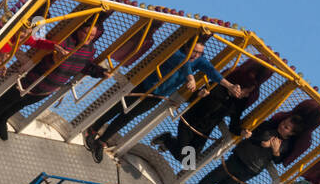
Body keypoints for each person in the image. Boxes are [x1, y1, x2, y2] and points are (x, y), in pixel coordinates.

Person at [85, 34, 242, 162]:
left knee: (129, 115)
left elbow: (211, 71)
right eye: (194, 51)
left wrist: (229, 86)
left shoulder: (199, 60)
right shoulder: (177, 52)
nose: (196, 55)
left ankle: (103, 140)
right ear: (187, 47)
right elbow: (183, 63)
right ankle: (93, 128)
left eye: (200, 53)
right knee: (119, 107)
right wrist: (190, 77)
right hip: (147, 85)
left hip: (159, 94)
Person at [0, 21, 113, 141]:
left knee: (23, 104)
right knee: (12, 98)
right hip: (37, 79)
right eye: (86, 32)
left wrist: (101, 72)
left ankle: (3, 118)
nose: (89, 36)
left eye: (92, 35)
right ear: (79, 30)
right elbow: (50, 48)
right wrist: (57, 50)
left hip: (50, 87)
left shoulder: (89, 50)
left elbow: (86, 66)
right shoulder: (67, 40)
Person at [151, 59, 271, 161]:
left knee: (189, 161)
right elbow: (191, 97)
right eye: (246, 92)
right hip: (189, 123)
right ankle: (168, 139)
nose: (246, 95)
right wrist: (200, 94)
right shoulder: (217, 87)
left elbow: (233, 125)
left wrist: (242, 132)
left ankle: (171, 142)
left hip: (204, 132)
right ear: (238, 85)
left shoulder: (239, 103)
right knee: (183, 155)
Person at [182, 113, 290, 184]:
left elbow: (278, 160)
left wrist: (276, 151)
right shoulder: (268, 127)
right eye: (284, 123)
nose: (282, 126)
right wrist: (263, 143)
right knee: (214, 177)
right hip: (239, 157)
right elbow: (252, 136)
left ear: (291, 134)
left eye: (286, 127)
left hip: (251, 169)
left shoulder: (286, 145)